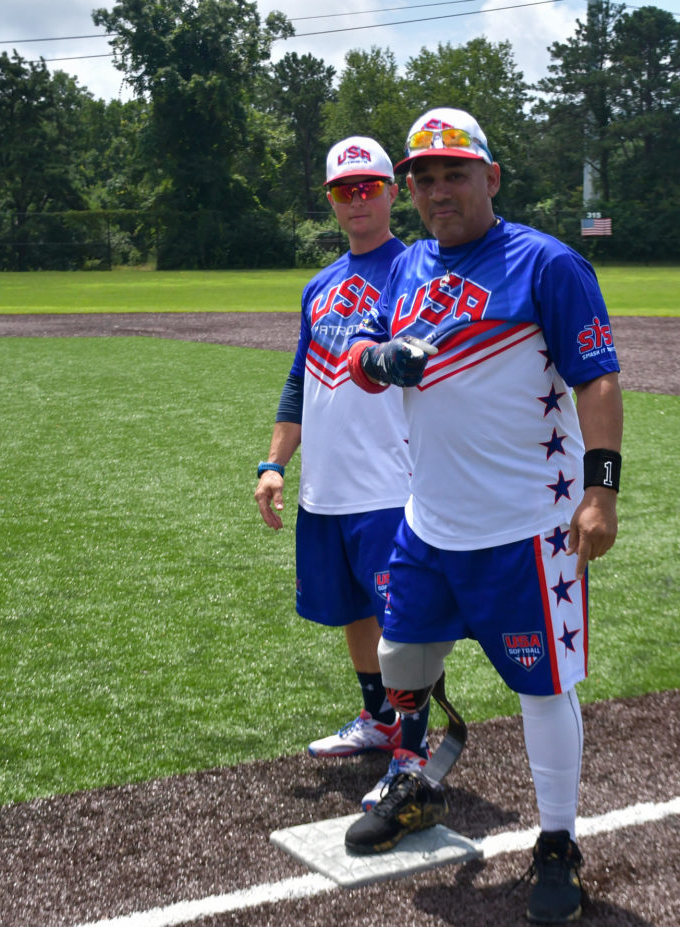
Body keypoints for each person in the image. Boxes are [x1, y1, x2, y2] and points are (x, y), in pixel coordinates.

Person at [342, 108, 623, 925]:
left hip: (528, 527)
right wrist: (374, 357)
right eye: (422, 178)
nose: (437, 191)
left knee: (543, 688)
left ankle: (558, 839)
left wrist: (600, 492)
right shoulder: (405, 267)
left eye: (454, 173)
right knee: (400, 663)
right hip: (430, 521)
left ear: (490, 178)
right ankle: (416, 785)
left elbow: (598, 378)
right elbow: (360, 347)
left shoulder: (547, 262)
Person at [254, 136, 430, 811]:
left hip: (391, 483)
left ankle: (413, 749)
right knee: (353, 610)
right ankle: (379, 720)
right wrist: (275, 462)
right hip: (324, 487)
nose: (356, 200)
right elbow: (300, 380)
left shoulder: (416, 268)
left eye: (368, 187)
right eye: (342, 190)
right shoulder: (319, 285)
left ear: (392, 190)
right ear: (330, 200)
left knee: (403, 622)